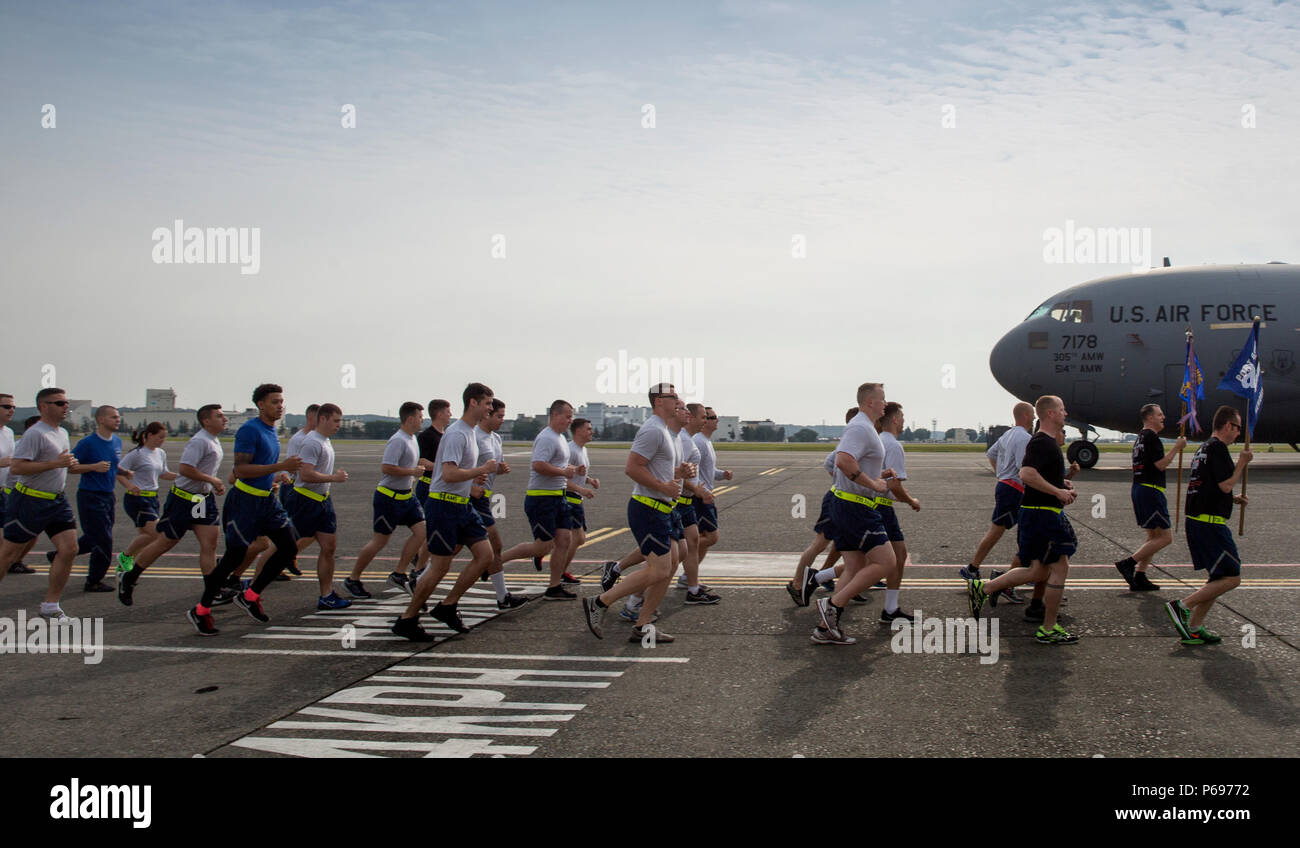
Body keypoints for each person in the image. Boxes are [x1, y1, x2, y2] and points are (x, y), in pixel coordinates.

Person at [966, 395, 1080, 644]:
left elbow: (1036, 474)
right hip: (1043, 514)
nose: (1065, 412)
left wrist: (1061, 483)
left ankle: (984, 588)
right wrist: (1058, 492)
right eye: (1061, 409)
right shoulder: (1041, 442)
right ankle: (1048, 629)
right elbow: (1026, 473)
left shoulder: (1044, 442)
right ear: (1049, 414)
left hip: (1039, 512)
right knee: (1060, 567)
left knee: (1037, 570)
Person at [582, 383, 689, 645]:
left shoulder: (664, 431)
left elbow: (657, 470)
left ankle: (643, 624)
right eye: (672, 396)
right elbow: (632, 468)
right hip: (647, 508)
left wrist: (678, 475)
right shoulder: (652, 430)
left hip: (663, 508)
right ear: (658, 401)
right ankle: (600, 602)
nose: (677, 400)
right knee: (659, 569)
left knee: (672, 563)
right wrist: (664, 486)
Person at [192, 384, 303, 633]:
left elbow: (264, 467)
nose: (280, 405)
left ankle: (251, 595)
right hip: (245, 502)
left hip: (267, 501)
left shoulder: (272, 430)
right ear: (261, 404)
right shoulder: (249, 430)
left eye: (281, 401)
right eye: (274, 401)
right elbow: (241, 470)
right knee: (234, 557)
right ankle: (201, 609)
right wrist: (280, 466)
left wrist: (276, 476)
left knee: (288, 547)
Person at [392, 383, 499, 640]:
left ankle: (448, 605)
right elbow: (448, 473)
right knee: (440, 567)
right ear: (472, 403)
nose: (490, 408)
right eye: (487, 403)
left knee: (486, 555)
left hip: (461, 504)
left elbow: (454, 474)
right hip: (443, 506)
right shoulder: (457, 434)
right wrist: (480, 470)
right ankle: (407, 619)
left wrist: (473, 485)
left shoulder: (470, 433)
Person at [0, 388, 107, 620]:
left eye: (66, 402)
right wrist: (54, 463)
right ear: (44, 406)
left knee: (70, 549)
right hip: (29, 499)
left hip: (56, 500)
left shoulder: (62, 433)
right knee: (7, 554)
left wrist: (86, 466)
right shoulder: (35, 434)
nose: (65, 407)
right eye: (59, 403)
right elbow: (17, 467)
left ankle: (50, 606)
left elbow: (65, 465)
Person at [810, 384, 896, 645]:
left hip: (849, 503)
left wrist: (878, 476)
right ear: (870, 402)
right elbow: (843, 461)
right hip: (855, 506)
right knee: (887, 562)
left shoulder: (865, 427)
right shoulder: (860, 427)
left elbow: (851, 465)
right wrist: (875, 485)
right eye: (882, 399)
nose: (885, 403)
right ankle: (832, 606)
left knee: (855, 566)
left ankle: (826, 629)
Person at [118, 405, 227, 609]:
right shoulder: (199, 441)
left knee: (209, 544)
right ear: (206, 421)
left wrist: (210, 485)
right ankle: (129, 577)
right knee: (165, 543)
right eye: (219, 416)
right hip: (183, 500)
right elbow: (185, 469)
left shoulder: (214, 440)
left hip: (201, 500)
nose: (225, 419)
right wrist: (211, 479)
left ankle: (213, 591)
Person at [1165, 406, 1252, 645]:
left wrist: (1233, 499)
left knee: (1217, 577)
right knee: (1232, 577)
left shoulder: (1204, 448)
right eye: (1237, 428)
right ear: (1227, 426)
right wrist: (1242, 463)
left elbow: (1210, 486)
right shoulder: (1219, 449)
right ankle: (1182, 606)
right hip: (1209, 525)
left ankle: (1194, 627)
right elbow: (1225, 485)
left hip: (1199, 520)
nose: (1238, 434)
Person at [344, 402, 431, 598]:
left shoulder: (412, 438)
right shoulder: (398, 440)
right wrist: (412, 471)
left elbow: (406, 463)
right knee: (379, 541)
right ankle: (353, 579)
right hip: (388, 498)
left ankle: (399, 573)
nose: (422, 420)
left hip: (407, 496)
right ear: (410, 419)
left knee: (423, 531)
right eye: (419, 416)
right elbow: (387, 467)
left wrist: (419, 465)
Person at [498, 400, 581, 600]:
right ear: (555, 415)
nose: (570, 421)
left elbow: (556, 464)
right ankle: (495, 562)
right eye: (567, 416)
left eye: (571, 416)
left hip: (558, 497)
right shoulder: (547, 438)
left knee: (564, 540)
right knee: (542, 546)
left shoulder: (560, 438)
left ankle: (553, 587)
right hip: (542, 499)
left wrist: (571, 470)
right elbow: (538, 465)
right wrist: (563, 471)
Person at [786, 407, 857, 606]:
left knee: (843, 544)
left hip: (848, 500)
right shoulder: (850, 441)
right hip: (837, 498)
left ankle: (831, 578)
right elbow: (830, 463)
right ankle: (797, 583)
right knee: (820, 544)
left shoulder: (858, 439)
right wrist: (840, 481)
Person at [960, 402, 1034, 587]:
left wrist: (1000, 474)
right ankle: (975, 568)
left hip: (1006, 487)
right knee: (999, 531)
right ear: (1025, 415)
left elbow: (991, 454)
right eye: (1032, 414)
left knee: (1025, 530)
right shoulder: (1024, 438)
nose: (1034, 417)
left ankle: (1026, 571)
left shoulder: (1007, 434)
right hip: (1014, 490)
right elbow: (1022, 468)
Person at [286, 403, 352, 609]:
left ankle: (326, 595)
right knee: (284, 548)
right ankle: (252, 585)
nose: (339, 425)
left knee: (329, 547)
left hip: (322, 500)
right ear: (322, 419)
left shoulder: (325, 440)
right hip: (305, 501)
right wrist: (334, 477)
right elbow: (305, 474)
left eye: (340, 421)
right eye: (336, 421)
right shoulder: (312, 442)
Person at [1115, 404, 1186, 591]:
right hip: (1150, 490)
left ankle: (1140, 575)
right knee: (1165, 537)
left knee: (1153, 536)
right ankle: (1128, 564)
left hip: (1140, 488)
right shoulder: (1152, 437)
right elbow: (1160, 465)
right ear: (1149, 418)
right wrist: (1177, 448)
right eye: (1160, 414)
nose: (1163, 417)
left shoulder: (1140, 437)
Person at [471, 399, 528, 610]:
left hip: (483, 497)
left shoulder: (495, 438)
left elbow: (491, 466)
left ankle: (502, 596)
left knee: (490, 547)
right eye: (499, 416)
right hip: (470, 498)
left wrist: (500, 469)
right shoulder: (474, 436)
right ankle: (502, 596)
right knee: (492, 545)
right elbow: (455, 468)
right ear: (487, 414)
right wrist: (469, 487)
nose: (502, 420)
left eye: (504, 416)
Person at [67, 405, 131, 591]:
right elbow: (71, 467)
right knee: (104, 539)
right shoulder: (88, 443)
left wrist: (124, 472)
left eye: (118, 417)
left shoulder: (117, 442)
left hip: (108, 495)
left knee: (94, 537)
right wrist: (93, 467)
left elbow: (111, 465)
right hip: (90, 495)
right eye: (113, 417)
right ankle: (93, 580)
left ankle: (59, 555)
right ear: (101, 420)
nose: (117, 420)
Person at [871, 401, 919, 623]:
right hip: (881, 507)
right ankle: (890, 609)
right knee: (896, 556)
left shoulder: (879, 441)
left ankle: (891, 608)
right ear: (894, 420)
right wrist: (911, 501)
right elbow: (894, 485)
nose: (903, 420)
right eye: (901, 416)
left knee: (864, 561)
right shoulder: (893, 446)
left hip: (873, 505)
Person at [547, 416, 599, 594]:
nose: (591, 432)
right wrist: (581, 489)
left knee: (577, 539)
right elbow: (562, 476)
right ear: (578, 431)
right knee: (572, 539)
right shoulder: (571, 450)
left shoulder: (581, 450)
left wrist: (590, 480)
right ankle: (558, 571)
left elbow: (578, 473)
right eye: (588, 429)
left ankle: (560, 571)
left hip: (576, 499)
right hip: (569, 498)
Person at [117, 422, 179, 569]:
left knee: (145, 536)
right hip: (137, 499)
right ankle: (125, 556)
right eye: (160, 437)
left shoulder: (160, 453)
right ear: (149, 435)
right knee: (156, 534)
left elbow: (163, 474)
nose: (162, 441)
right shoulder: (137, 454)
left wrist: (183, 477)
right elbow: (118, 472)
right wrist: (130, 486)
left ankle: (126, 563)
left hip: (153, 498)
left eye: (164, 438)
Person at [411, 399, 452, 577]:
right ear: (439, 413)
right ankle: (418, 565)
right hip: (427, 487)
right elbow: (421, 461)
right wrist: (442, 468)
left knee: (433, 530)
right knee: (430, 530)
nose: (450, 414)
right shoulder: (426, 436)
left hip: (441, 488)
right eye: (448, 411)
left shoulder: (445, 435)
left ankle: (419, 559)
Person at [689, 404, 732, 568]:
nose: (717, 420)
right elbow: (693, 471)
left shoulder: (705, 442)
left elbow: (707, 470)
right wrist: (702, 492)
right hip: (700, 497)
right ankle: (681, 547)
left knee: (704, 538)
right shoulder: (698, 442)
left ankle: (689, 577)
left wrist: (722, 474)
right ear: (704, 421)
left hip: (704, 495)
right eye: (713, 417)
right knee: (711, 537)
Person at [0, 393, 35, 575]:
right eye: (6, 407)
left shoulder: (8, 433)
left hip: (4, 492)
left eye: (13, 407)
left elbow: (13, 465)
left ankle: (14, 563)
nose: (11, 410)